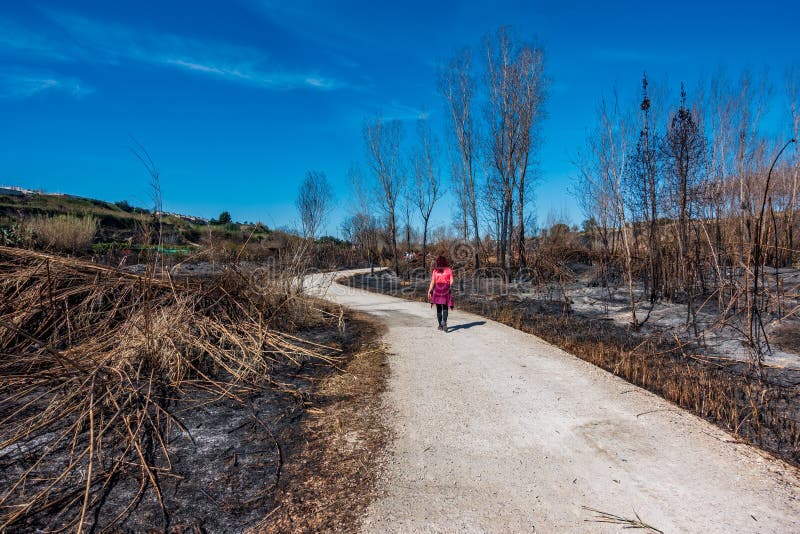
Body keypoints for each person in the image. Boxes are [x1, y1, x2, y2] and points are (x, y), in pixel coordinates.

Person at [427, 255, 454, 332]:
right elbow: (452, 281)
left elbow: (432, 282)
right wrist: (449, 286)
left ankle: (440, 325)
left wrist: (429, 291)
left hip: (437, 289)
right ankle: (444, 322)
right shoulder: (448, 270)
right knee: (445, 307)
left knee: (439, 308)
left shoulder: (435, 271)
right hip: (445, 289)